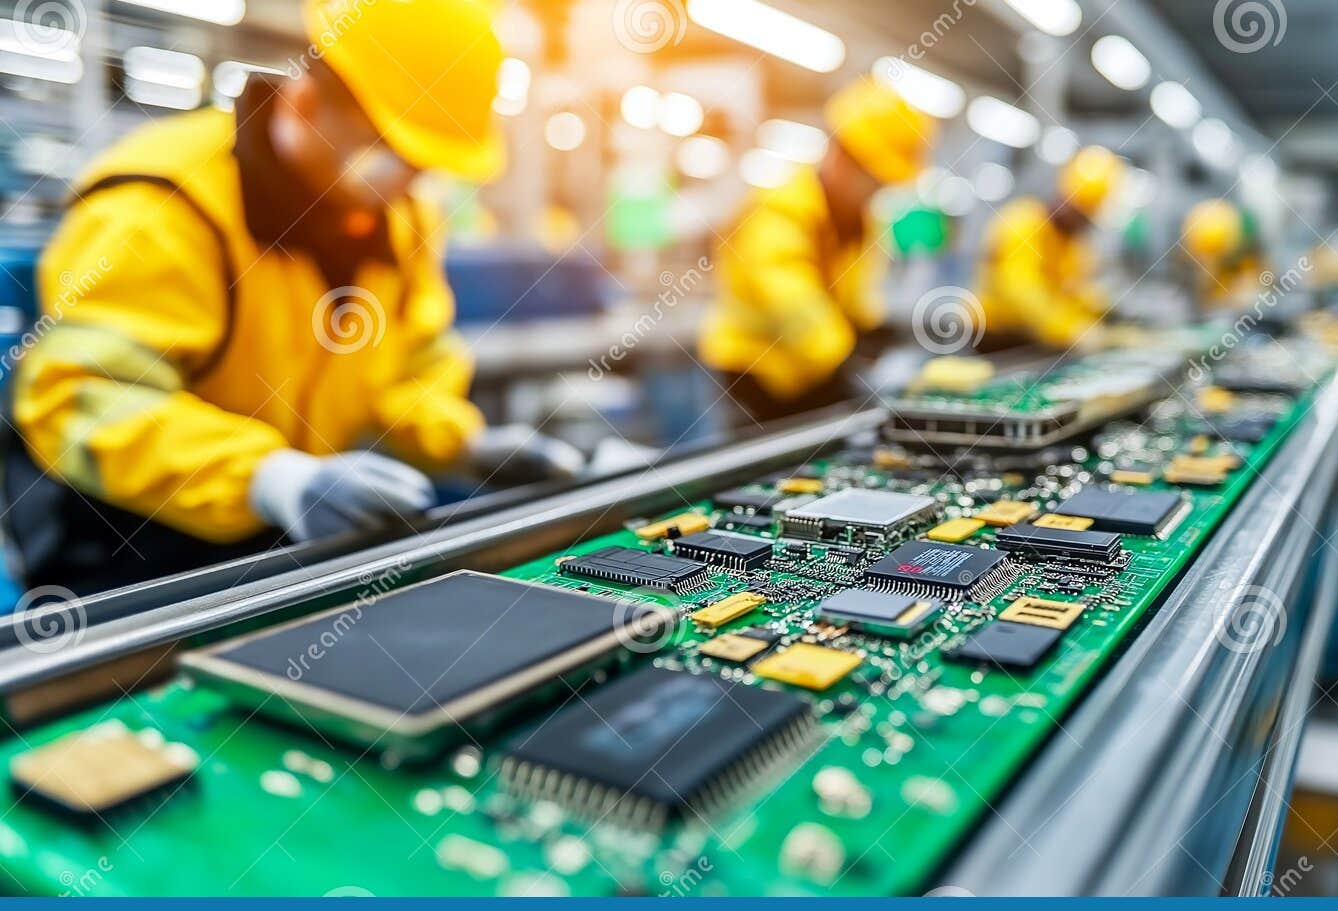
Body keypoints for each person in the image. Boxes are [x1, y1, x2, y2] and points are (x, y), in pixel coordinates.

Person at [4, 0, 582, 597]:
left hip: (284, 532)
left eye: (422, 167)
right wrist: (267, 478)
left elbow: (407, 372)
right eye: (390, 153)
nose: (406, 184)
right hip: (126, 551)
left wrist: (462, 444)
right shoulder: (163, 202)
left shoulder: (398, 218)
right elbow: (81, 399)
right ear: (308, 100)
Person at [699, 77, 935, 423]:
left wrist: (876, 335)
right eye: (873, 177)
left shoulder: (861, 221)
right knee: (764, 469)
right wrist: (845, 361)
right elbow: (790, 298)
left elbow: (853, 300)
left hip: (814, 374)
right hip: (757, 377)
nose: (877, 190)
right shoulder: (780, 208)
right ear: (840, 154)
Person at [972, 145, 1124, 351]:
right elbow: (1024, 293)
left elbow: (1069, 292)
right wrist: (1069, 329)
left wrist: (1098, 311)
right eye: (1078, 213)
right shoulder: (1023, 222)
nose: (1080, 225)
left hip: (1033, 338)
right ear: (1063, 199)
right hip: (993, 336)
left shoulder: (1072, 243)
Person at [1179, 198, 1266, 316]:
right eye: (1201, 259)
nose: (1206, 264)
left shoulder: (1247, 274)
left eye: (1211, 257)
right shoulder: (1187, 276)